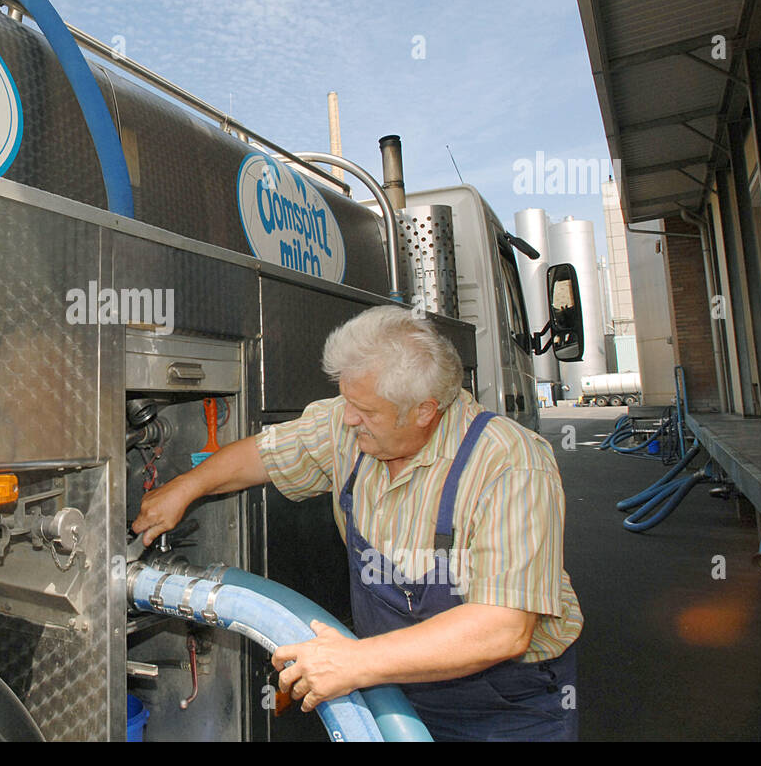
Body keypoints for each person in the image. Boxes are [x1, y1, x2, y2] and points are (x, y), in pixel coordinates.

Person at [131, 305, 582, 741]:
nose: (348, 419)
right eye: (347, 400)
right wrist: (185, 487)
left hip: (501, 703)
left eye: (365, 411)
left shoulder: (510, 463)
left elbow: (502, 628)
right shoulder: (346, 423)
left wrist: (356, 662)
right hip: (391, 681)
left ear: (424, 411)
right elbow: (261, 455)